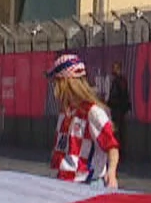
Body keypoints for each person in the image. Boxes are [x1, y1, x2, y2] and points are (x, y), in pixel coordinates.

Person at [47, 54, 120, 189]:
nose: (55, 89)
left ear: (68, 83)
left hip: (87, 183)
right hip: (63, 182)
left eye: (57, 82)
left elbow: (112, 146)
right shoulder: (65, 113)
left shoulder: (93, 112)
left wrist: (111, 172)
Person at [106, 61, 132, 147]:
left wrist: (110, 103)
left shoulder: (119, 81)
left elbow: (119, 96)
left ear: (119, 69)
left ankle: (119, 151)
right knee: (118, 132)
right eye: (113, 67)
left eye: (115, 68)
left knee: (118, 132)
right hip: (117, 111)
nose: (113, 70)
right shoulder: (117, 81)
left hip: (118, 111)